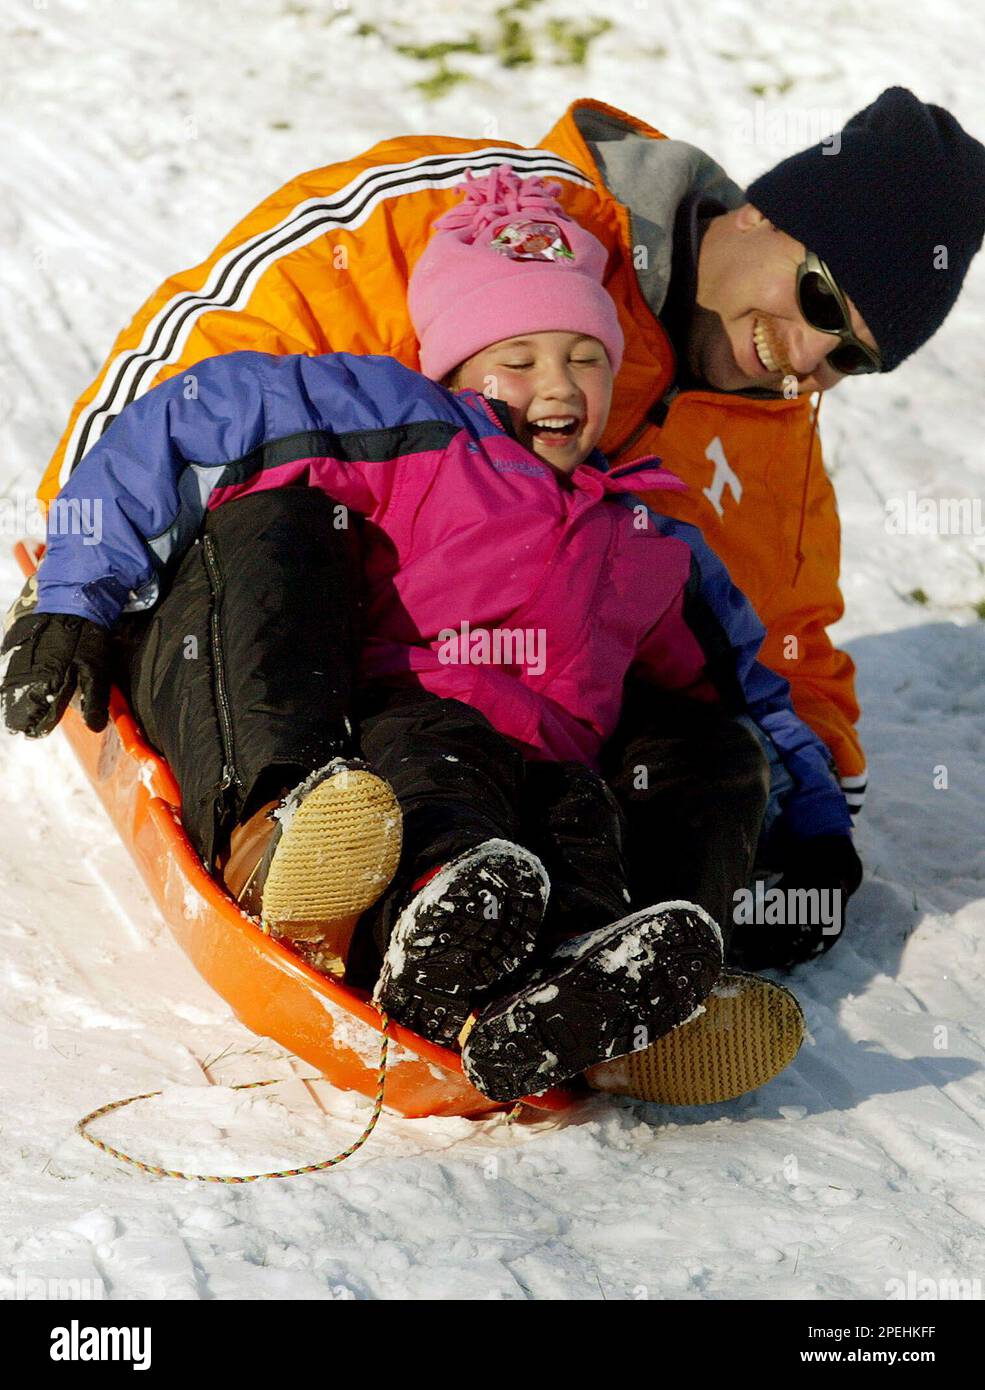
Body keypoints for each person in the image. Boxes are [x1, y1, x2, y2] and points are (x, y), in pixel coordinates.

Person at [25, 87, 984, 970]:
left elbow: (777, 659)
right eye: (819, 298)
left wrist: (812, 840)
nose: (807, 354)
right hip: (259, 646)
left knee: (703, 727)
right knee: (283, 516)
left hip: (508, 743)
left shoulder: (776, 451)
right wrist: (83, 577)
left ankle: (599, 959)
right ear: (756, 213)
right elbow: (189, 397)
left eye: (850, 355)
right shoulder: (498, 228)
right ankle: (289, 838)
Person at [0, 167, 854, 1102]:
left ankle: (592, 991)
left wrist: (814, 836)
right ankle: (393, 907)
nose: (556, 384)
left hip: (558, 767)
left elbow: (748, 694)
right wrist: (74, 596)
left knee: (610, 819)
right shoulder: (411, 426)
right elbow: (191, 419)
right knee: (445, 798)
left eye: (584, 357)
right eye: (517, 358)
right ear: (454, 367)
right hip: (412, 725)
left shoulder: (649, 535)